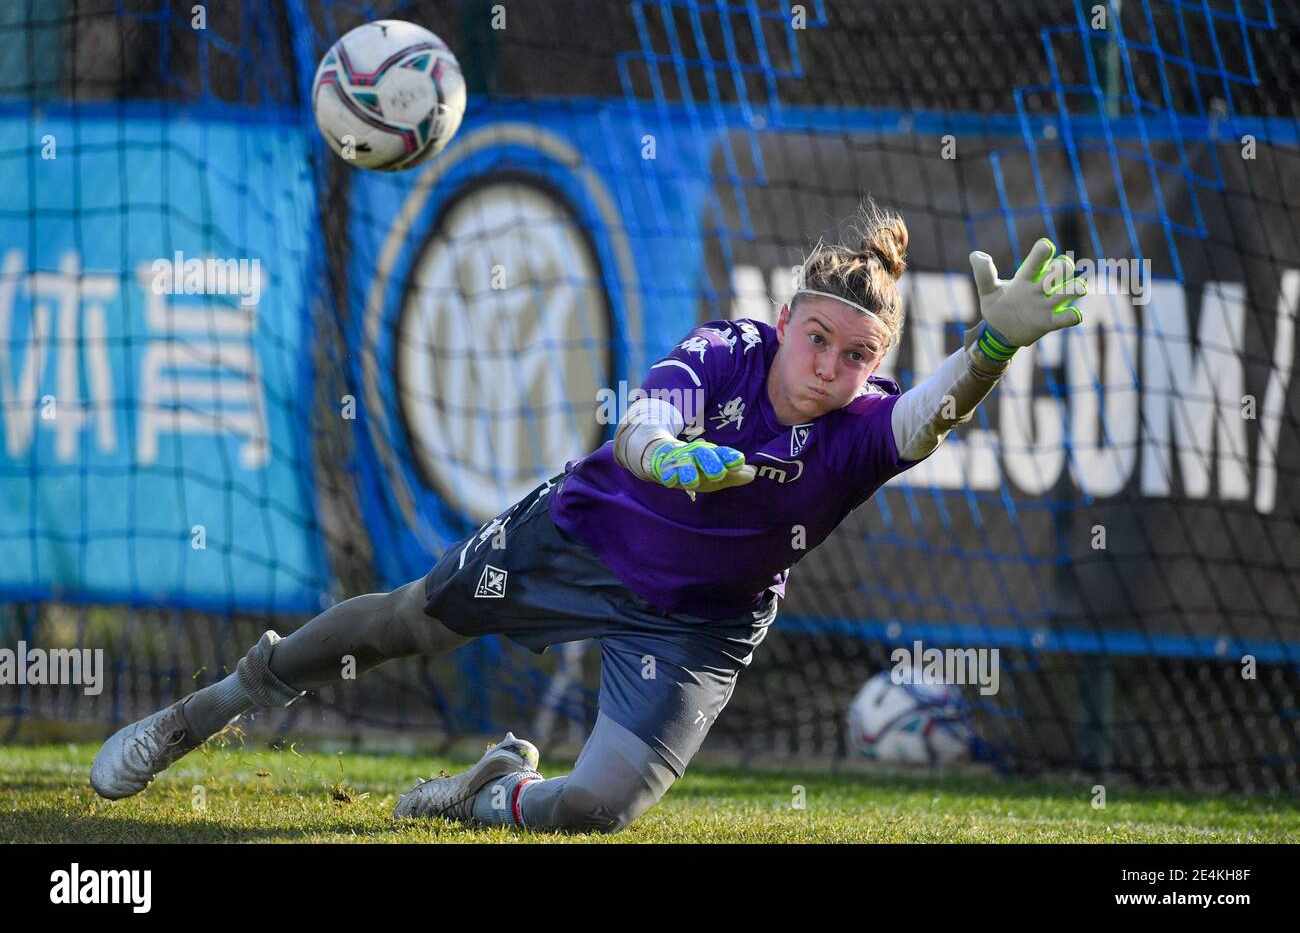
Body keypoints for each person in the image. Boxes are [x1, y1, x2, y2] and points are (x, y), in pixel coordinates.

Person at [90, 202, 1085, 833]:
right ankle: (206, 709)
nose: (829, 367)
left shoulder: (865, 427)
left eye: (855, 355)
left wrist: (990, 349)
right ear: (786, 323)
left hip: (697, 621)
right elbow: (646, 416)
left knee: (594, 808)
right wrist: (668, 456)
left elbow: (930, 412)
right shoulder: (730, 347)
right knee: (399, 623)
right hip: (583, 530)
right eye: (817, 338)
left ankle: (488, 793)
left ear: (875, 363)